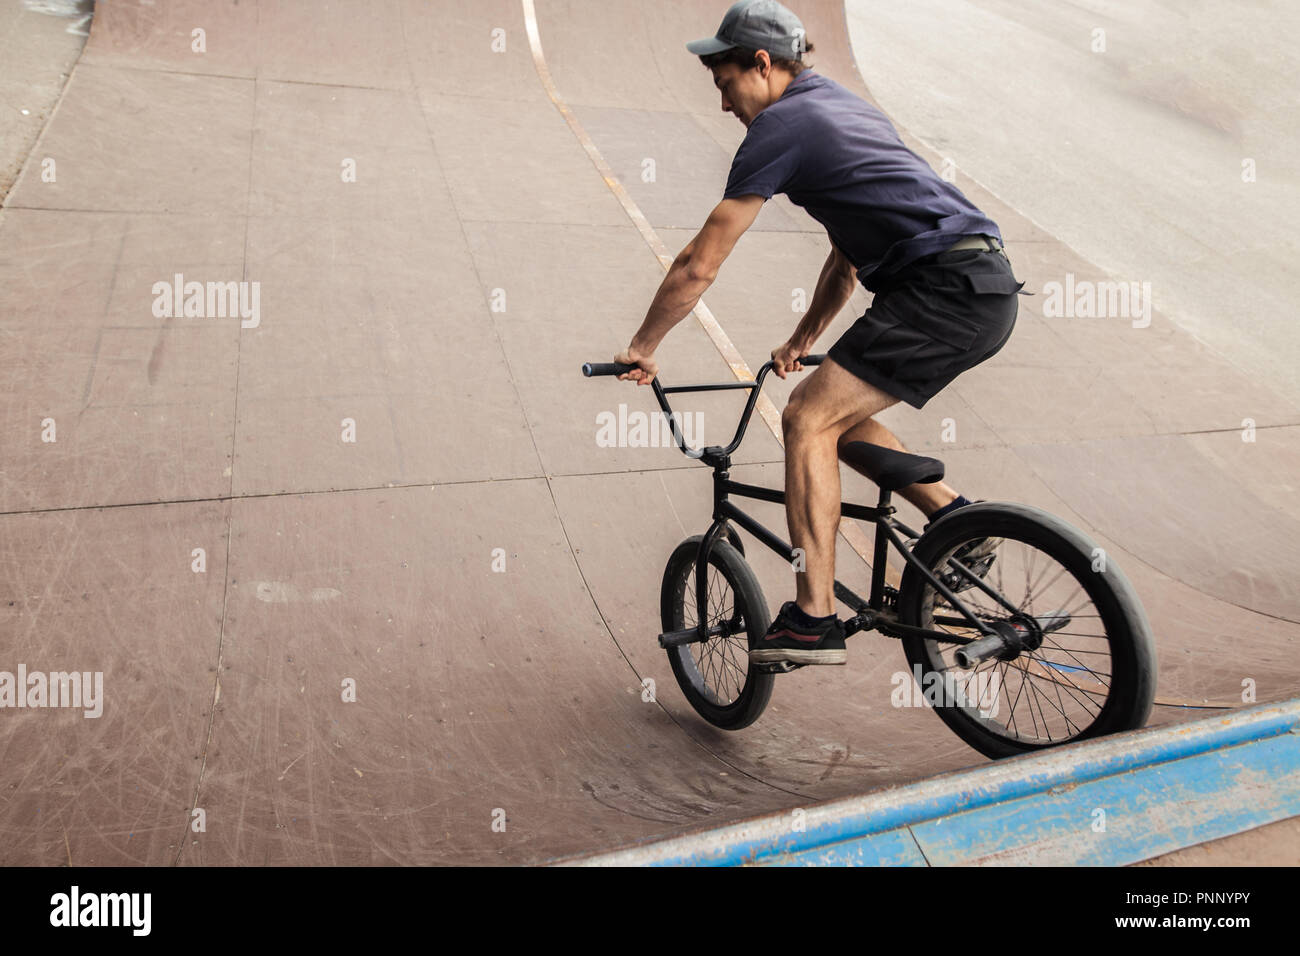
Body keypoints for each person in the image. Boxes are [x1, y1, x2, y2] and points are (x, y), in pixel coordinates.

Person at [613, 0, 1024, 665]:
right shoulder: (842, 106)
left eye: (726, 86)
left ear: (764, 64)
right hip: (981, 285)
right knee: (838, 414)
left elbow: (699, 264)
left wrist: (643, 346)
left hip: (940, 291)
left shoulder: (781, 128)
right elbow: (847, 255)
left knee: (806, 418)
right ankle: (952, 517)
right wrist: (805, 336)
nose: (725, 107)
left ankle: (814, 617)